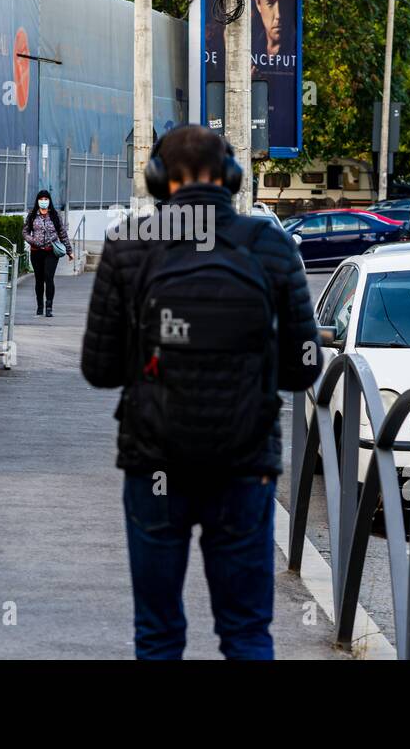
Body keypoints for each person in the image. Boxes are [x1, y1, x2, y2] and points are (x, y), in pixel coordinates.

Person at [80, 124, 321, 660]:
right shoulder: (270, 246)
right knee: (246, 633)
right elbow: (303, 369)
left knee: (159, 633)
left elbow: (98, 369)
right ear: (231, 177)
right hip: (245, 465)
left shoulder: (128, 247)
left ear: (157, 179)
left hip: (154, 462)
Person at [22, 190, 72, 318]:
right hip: (36, 252)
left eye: (46, 199)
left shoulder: (55, 216)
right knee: (39, 279)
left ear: (49, 201)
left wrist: (69, 251)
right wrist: (33, 240)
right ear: (38, 201)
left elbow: (62, 234)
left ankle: (49, 307)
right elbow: (25, 232)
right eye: (41, 199)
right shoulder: (32, 215)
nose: (43, 201)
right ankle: (40, 307)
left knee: (49, 277)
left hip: (51, 251)